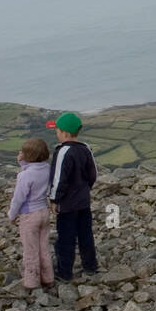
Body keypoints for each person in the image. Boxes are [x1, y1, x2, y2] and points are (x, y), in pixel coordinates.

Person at [47, 112, 98, 281]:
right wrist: (86, 189)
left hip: (67, 204)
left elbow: (58, 179)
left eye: (57, 130)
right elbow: (93, 174)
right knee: (86, 234)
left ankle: (65, 272)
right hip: (83, 201)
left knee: (66, 238)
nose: (56, 133)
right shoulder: (86, 148)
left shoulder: (62, 152)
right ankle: (90, 266)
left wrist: (54, 199)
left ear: (64, 133)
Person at [8, 137, 53, 290]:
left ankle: (32, 282)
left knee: (30, 249)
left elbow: (18, 198)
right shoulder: (47, 168)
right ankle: (48, 277)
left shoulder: (24, 176)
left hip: (29, 215)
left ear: (27, 155)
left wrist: (12, 215)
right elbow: (34, 170)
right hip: (44, 212)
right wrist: (23, 163)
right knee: (43, 246)